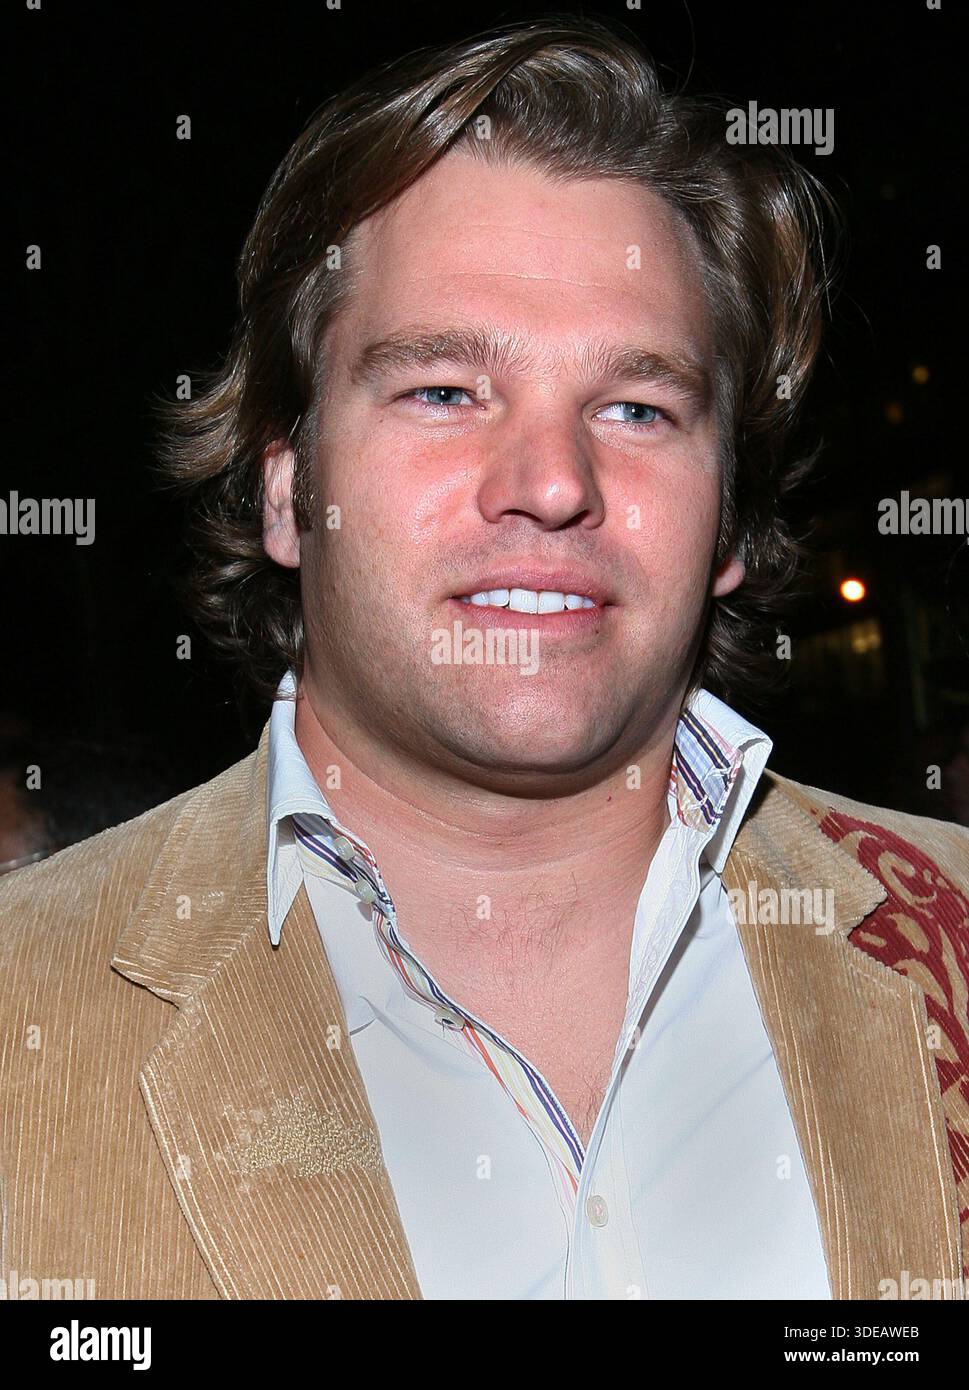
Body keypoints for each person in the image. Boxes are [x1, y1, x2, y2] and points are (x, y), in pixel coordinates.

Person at [1, 16, 966, 1302]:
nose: (555, 483)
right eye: (444, 391)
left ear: (728, 518)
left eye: (637, 407)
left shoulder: (944, 928)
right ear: (289, 490)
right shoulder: (27, 1011)